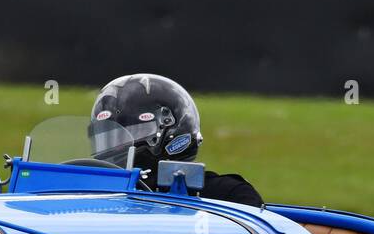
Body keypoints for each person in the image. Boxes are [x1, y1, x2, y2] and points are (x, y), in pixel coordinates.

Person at [89, 73, 263, 207]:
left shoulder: (227, 194)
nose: (118, 146)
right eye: (109, 136)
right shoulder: (88, 190)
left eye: (135, 132)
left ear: (173, 130)